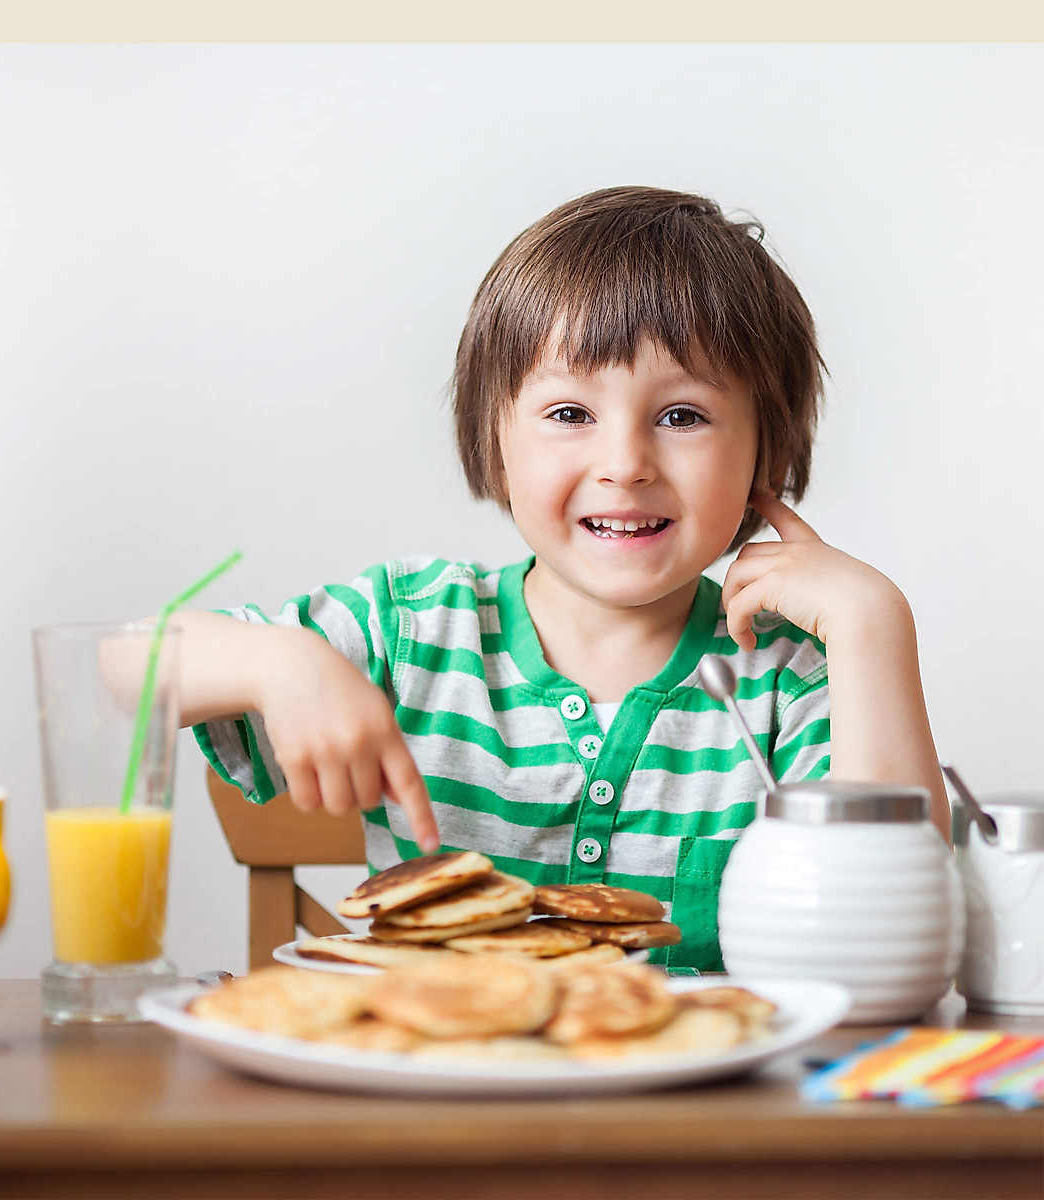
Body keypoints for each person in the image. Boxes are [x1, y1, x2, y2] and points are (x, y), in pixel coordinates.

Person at [165, 187, 948, 972]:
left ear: (764, 455)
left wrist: (872, 628)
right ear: (494, 438)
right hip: (440, 1078)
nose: (623, 465)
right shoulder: (410, 628)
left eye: (681, 416)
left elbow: (895, 931)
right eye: (570, 413)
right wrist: (283, 664)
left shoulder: (791, 674)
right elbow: (123, 669)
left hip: (707, 1087)